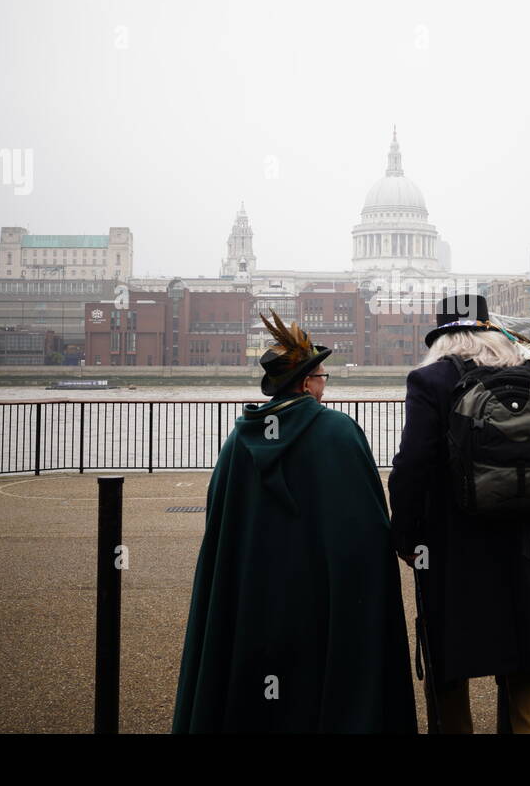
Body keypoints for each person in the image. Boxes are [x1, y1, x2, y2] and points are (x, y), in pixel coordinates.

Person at [173, 310, 416, 733]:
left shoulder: (237, 441)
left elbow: (221, 528)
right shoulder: (337, 433)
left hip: (253, 597)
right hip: (322, 603)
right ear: (306, 383)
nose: (325, 384)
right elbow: (366, 530)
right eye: (323, 376)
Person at [389, 294, 530, 733]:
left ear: (442, 339)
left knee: (450, 651)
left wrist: (407, 538)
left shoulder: (430, 380)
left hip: (454, 542)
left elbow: (412, 464)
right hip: (527, 540)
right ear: (490, 330)